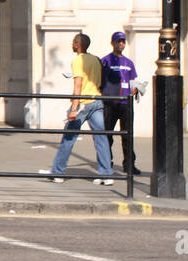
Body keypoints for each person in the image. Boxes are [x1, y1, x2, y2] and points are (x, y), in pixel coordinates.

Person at [42, 33, 113, 184]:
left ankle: (58, 172)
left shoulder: (77, 61)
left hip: (82, 104)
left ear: (77, 44)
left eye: (74, 42)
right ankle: (106, 174)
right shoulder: (96, 60)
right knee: (101, 138)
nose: (72, 44)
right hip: (97, 101)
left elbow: (78, 85)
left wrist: (74, 108)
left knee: (68, 138)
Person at [100, 30, 141, 175]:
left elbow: (133, 81)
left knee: (127, 135)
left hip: (125, 103)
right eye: (118, 41)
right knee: (107, 134)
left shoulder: (129, 63)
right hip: (110, 103)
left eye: (123, 41)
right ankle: (107, 162)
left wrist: (136, 88)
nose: (121, 44)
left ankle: (129, 164)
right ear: (113, 43)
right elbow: (101, 81)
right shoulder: (105, 61)